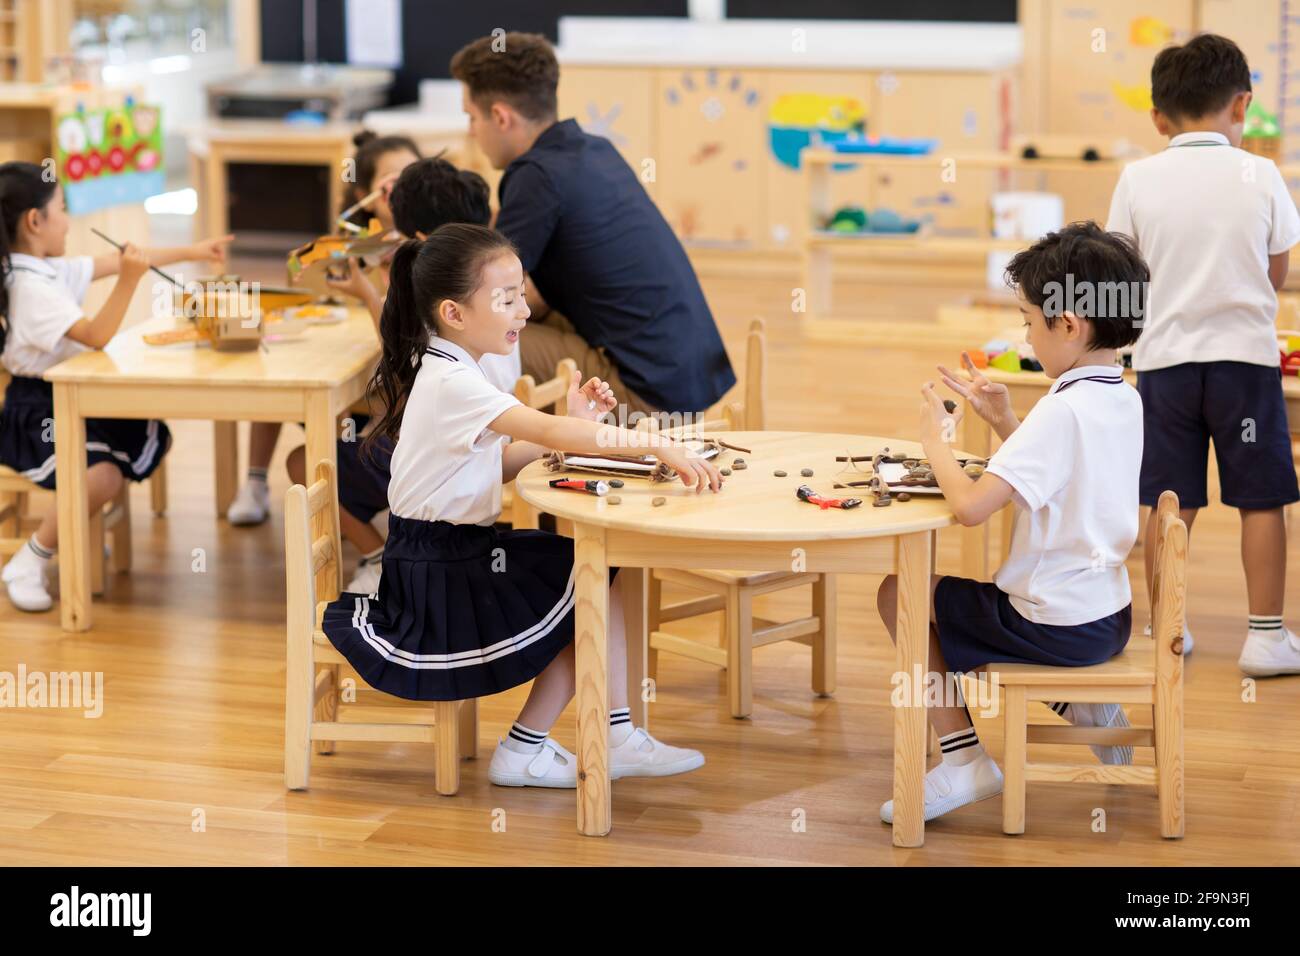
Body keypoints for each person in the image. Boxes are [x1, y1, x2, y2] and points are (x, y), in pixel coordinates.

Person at [319, 223, 719, 786]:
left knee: (594, 572)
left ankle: (611, 733)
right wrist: (652, 441)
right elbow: (541, 432)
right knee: (587, 579)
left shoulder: (454, 368)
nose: (523, 312)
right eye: (506, 300)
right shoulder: (453, 382)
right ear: (454, 314)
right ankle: (534, 746)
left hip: (446, 555)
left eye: (521, 294)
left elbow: (495, 461)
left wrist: (573, 426)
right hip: (438, 577)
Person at [1106, 33, 1300, 673]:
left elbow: (1122, 275)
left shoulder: (1138, 177)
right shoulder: (1262, 173)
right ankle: (1266, 638)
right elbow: (1276, 270)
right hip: (1245, 363)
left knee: (1167, 498)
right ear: (1242, 105)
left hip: (1163, 365)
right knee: (1261, 496)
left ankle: (1169, 628)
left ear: (1158, 117)